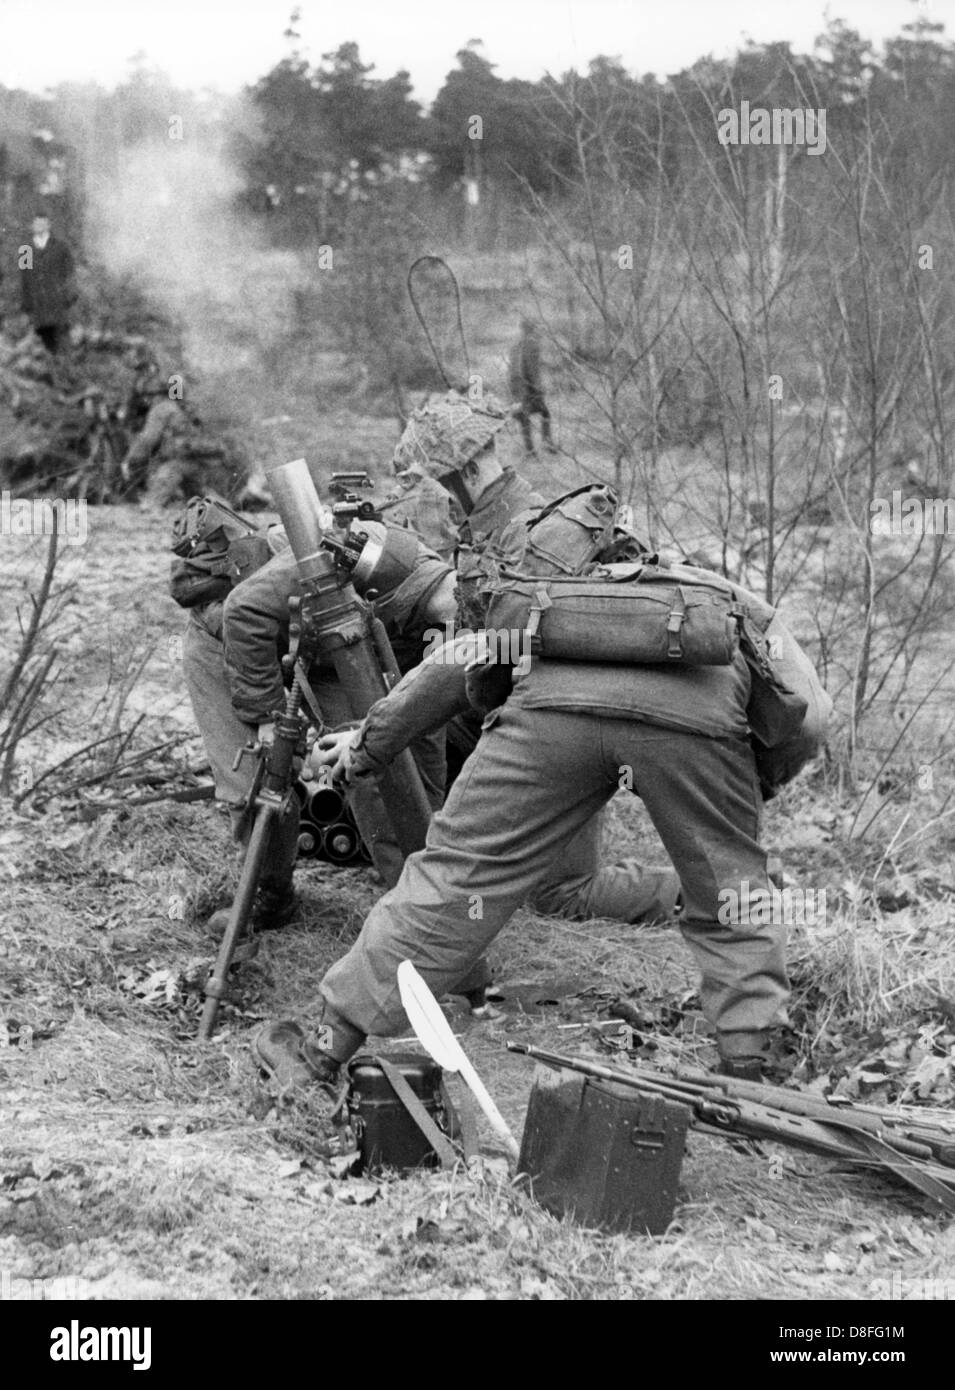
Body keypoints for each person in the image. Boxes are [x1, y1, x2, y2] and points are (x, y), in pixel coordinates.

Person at [19, 214, 75, 355]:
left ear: (48, 225)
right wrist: (26, 307)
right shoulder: (26, 249)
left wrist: (68, 297)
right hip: (38, 306)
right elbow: (24, 278)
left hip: (57, 304)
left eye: (42, 224)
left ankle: (65, 371)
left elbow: (69, 273)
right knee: (44, 346)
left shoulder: (61, 247)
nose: (39, 227)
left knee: (62, 344)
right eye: (36, 224)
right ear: (32, 226)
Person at [508, 317, 555, 456]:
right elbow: (531, 369)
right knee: (545, 413)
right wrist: (537, 387)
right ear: (532, 329)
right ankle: (546, 443)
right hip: (528, 386)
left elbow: (513, 368)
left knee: (524, 417)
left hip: (517, 386)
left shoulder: (516, 345)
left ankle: (531, 449)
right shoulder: (533, 345)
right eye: (537, 327)